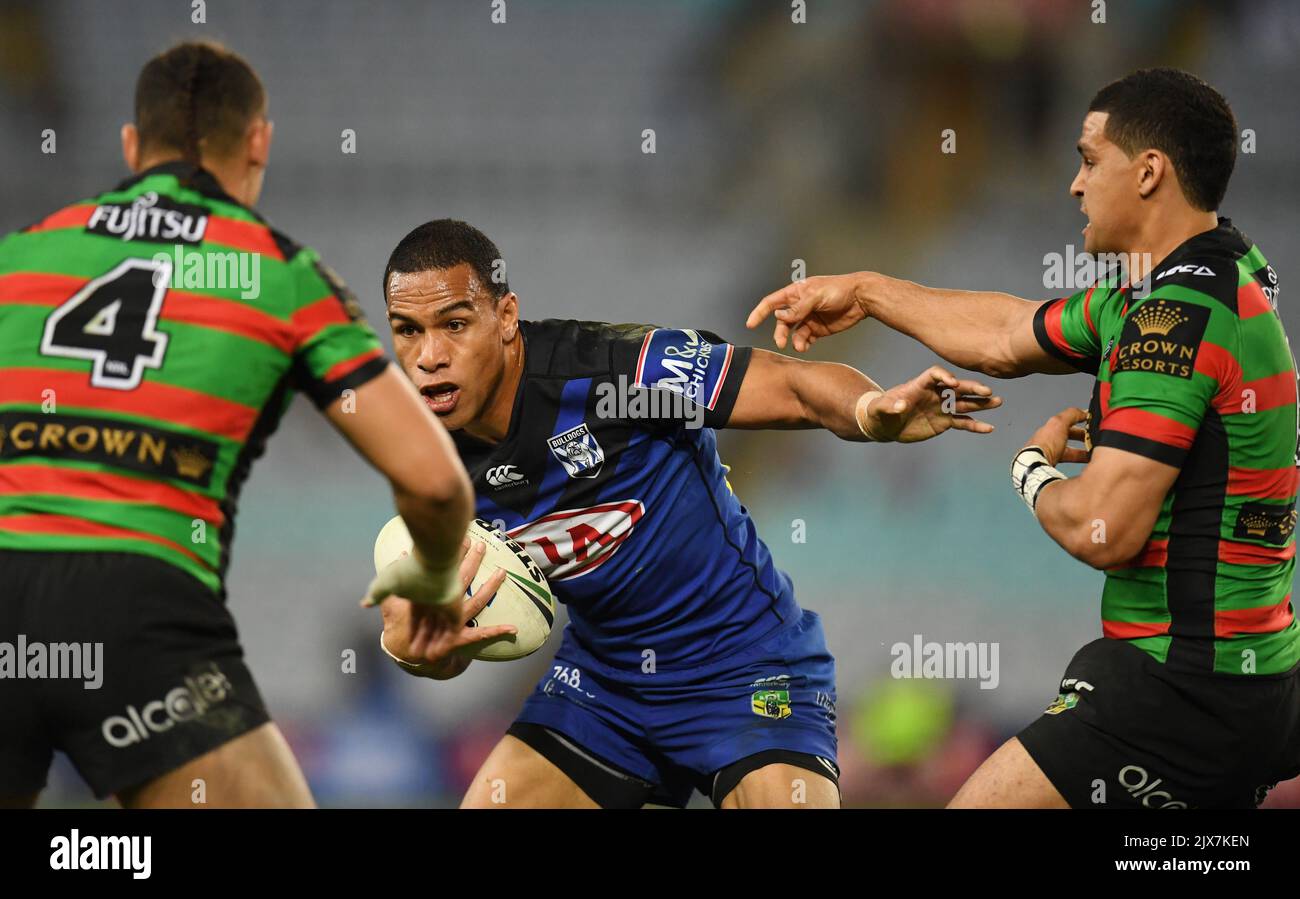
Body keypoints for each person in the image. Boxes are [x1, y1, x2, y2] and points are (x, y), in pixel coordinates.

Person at [748, 68, 1300, 808]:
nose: (1075, 185)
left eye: (1089, 159)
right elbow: (1007, 334)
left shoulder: (1177, 317)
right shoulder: (1205, 281)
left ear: (1148, 172)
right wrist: (871, 291)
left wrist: (1031, 466)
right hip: (1245, 671)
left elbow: (1102, 529)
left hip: (1182, 684)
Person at [375, 218, 1002, 808]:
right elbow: (440, 633)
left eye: (454, 324)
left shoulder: (614, 372)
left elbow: (792, 385)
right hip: (605, 688)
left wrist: (872, 412)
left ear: (506, 317)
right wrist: (414, 647)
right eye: (408, 330)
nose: (429, 355)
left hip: (746, 669)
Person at [0, 41, 480, 809]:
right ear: (260, 143)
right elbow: (432, 481)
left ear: (132, 146)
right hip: (139, 609)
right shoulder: (275, 273)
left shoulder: (17, 257)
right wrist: (428, 577)